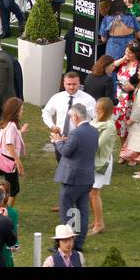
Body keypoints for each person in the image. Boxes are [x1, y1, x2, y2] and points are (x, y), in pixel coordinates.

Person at [53, 101, 99, 253]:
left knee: (66, 211)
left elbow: (66, 152)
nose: (71, 120)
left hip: (72, 178)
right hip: (87, 177)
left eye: (72, 117)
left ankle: (64, 243)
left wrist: (58, 141)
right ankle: (78, 244)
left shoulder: (76, 133)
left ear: (76, 116)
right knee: (82, 211)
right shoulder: (94, 131)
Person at [89, 97, 116, 235]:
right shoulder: (95, 121)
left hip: (101, 163)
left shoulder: (110, 126)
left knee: (94, 194)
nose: (96, 111)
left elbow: (98, 144)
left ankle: (99, 224)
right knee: (91, 193)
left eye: (99, 109)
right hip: (93, 162)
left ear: (105, 111)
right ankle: (96, 220)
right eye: (96, 109)